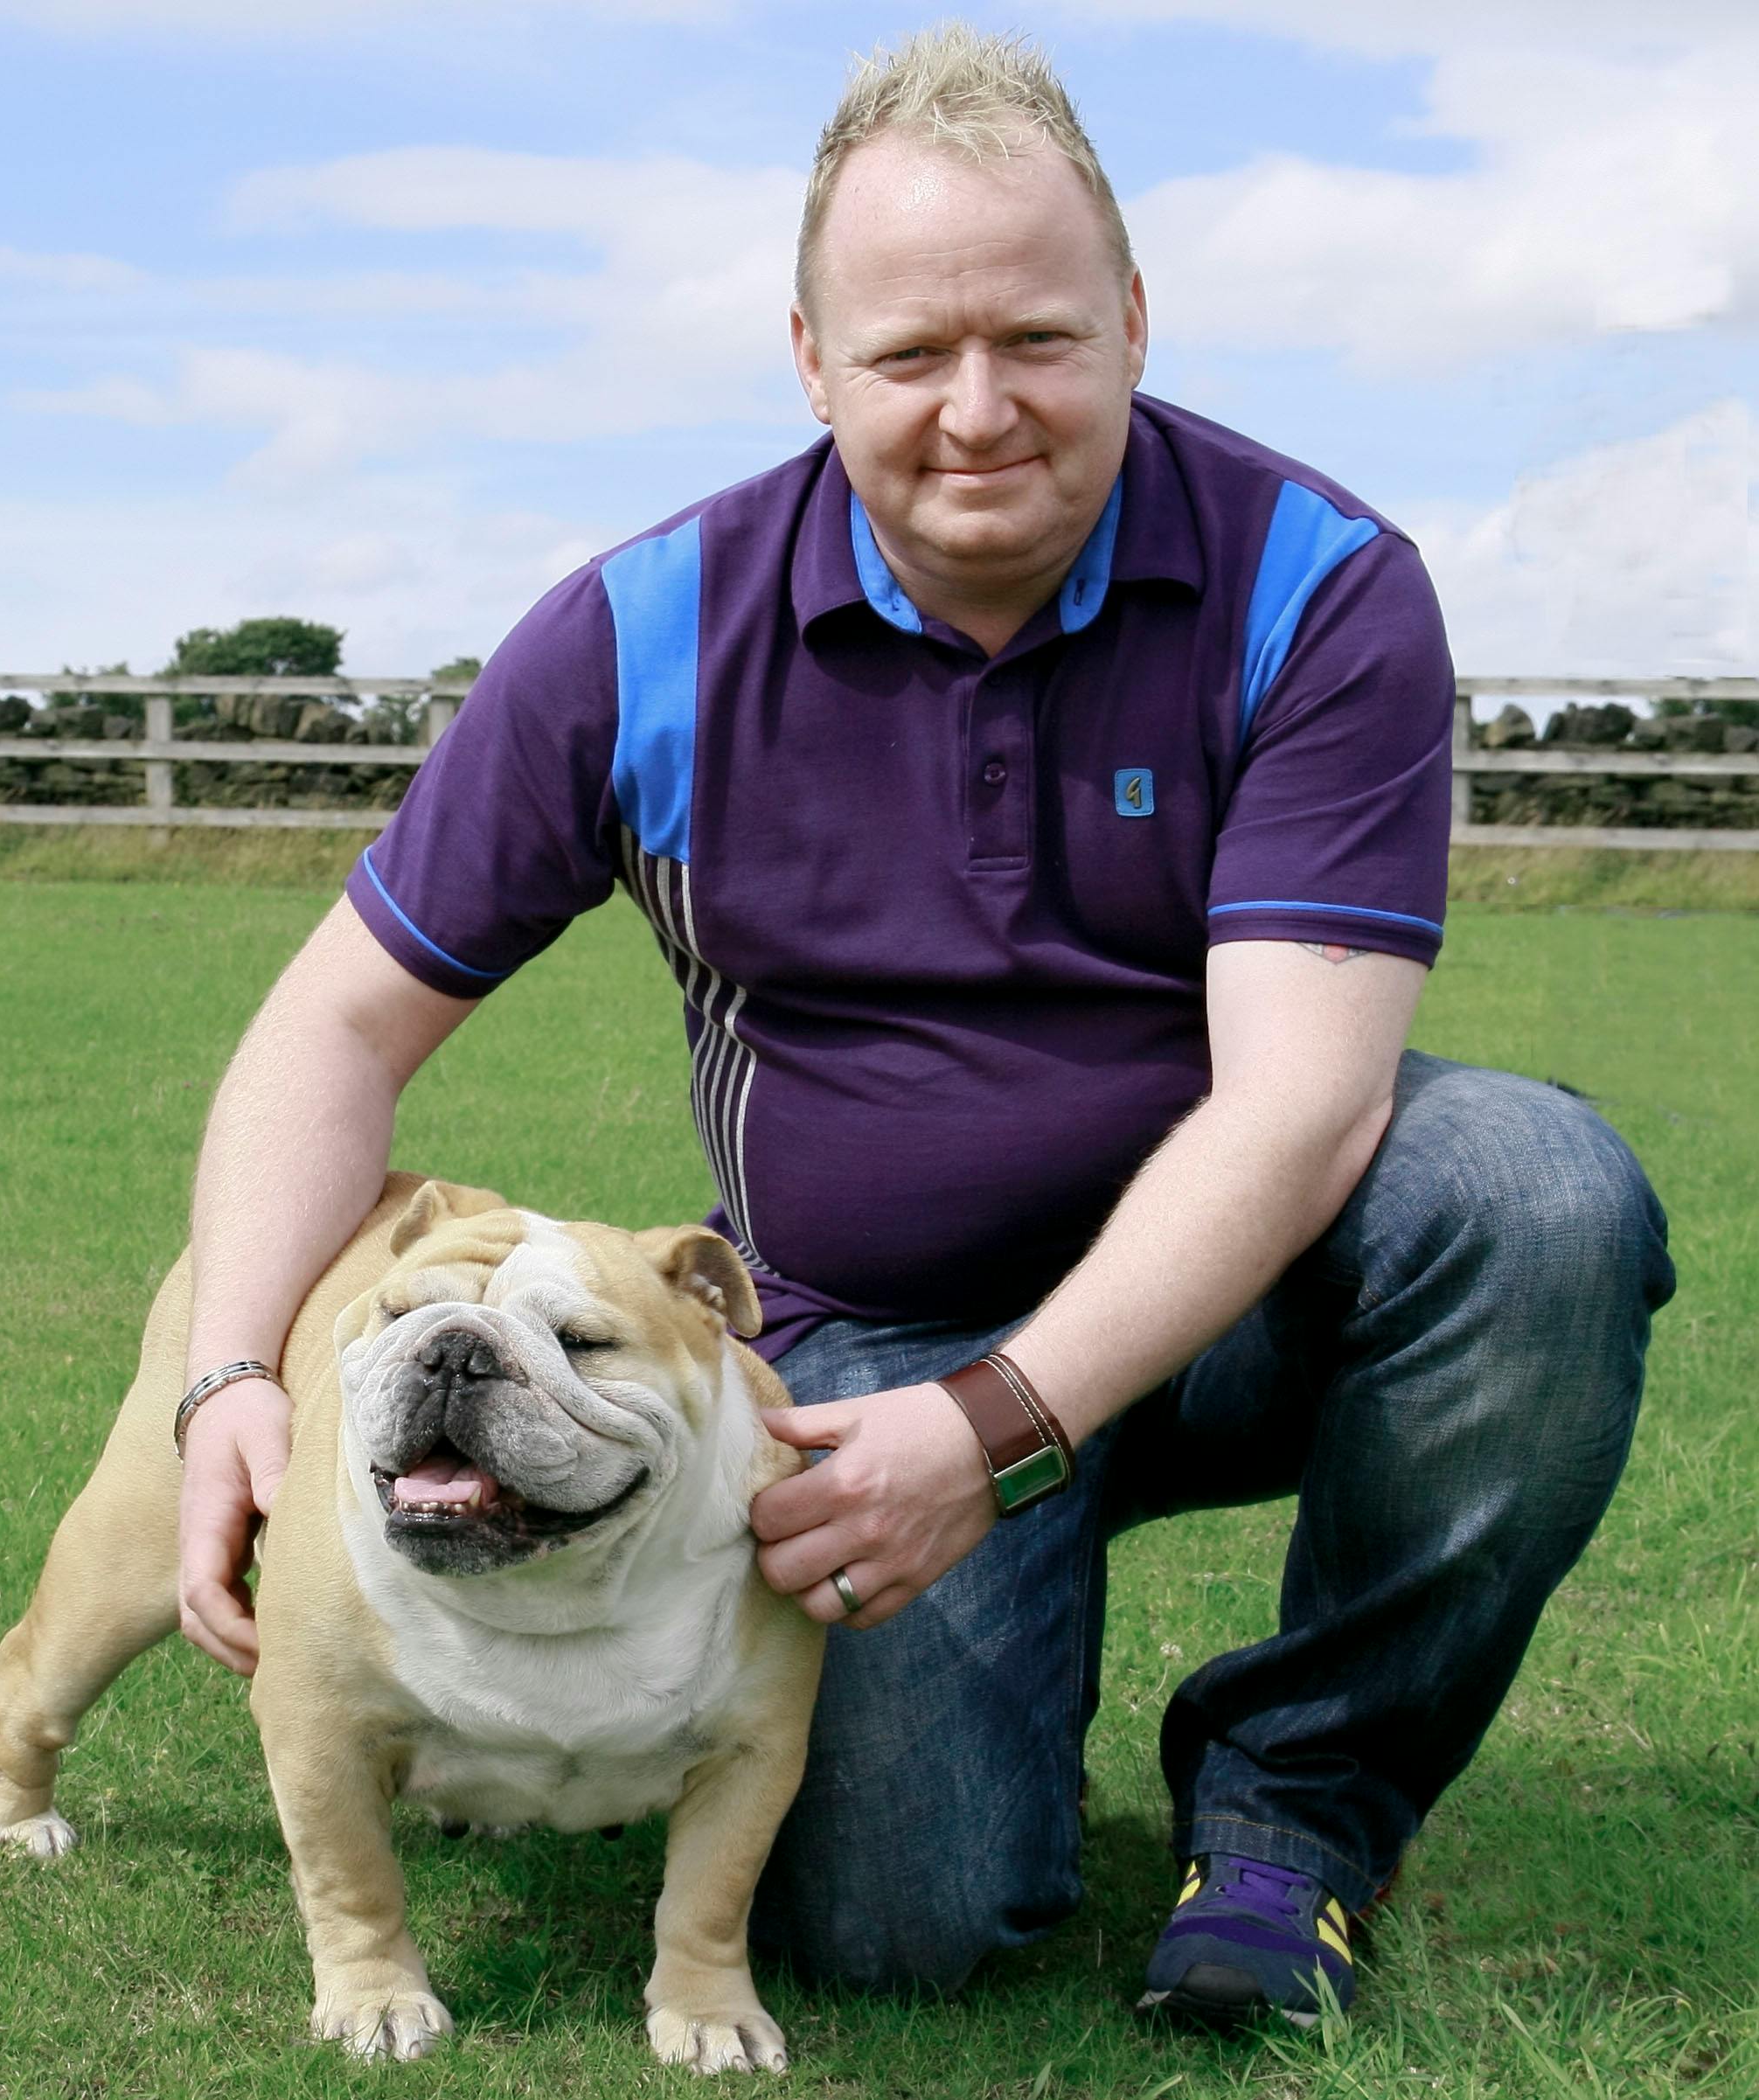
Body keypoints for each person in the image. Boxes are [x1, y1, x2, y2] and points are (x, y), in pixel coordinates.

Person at [175, 25, 1675, 2029]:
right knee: (902, 1922)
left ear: (1133, 321)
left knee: (1533, 1192)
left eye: (1037, 338)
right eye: (905, 354)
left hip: (1243, 1300)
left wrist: (1004, 1431)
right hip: (865, 1348)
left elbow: (1301, 1112)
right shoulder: (639, 636)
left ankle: (1294, 1818)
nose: (977, 409)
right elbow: (330, 1033)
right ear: (808, 358)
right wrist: (226, 1386)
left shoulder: (1313, 589)